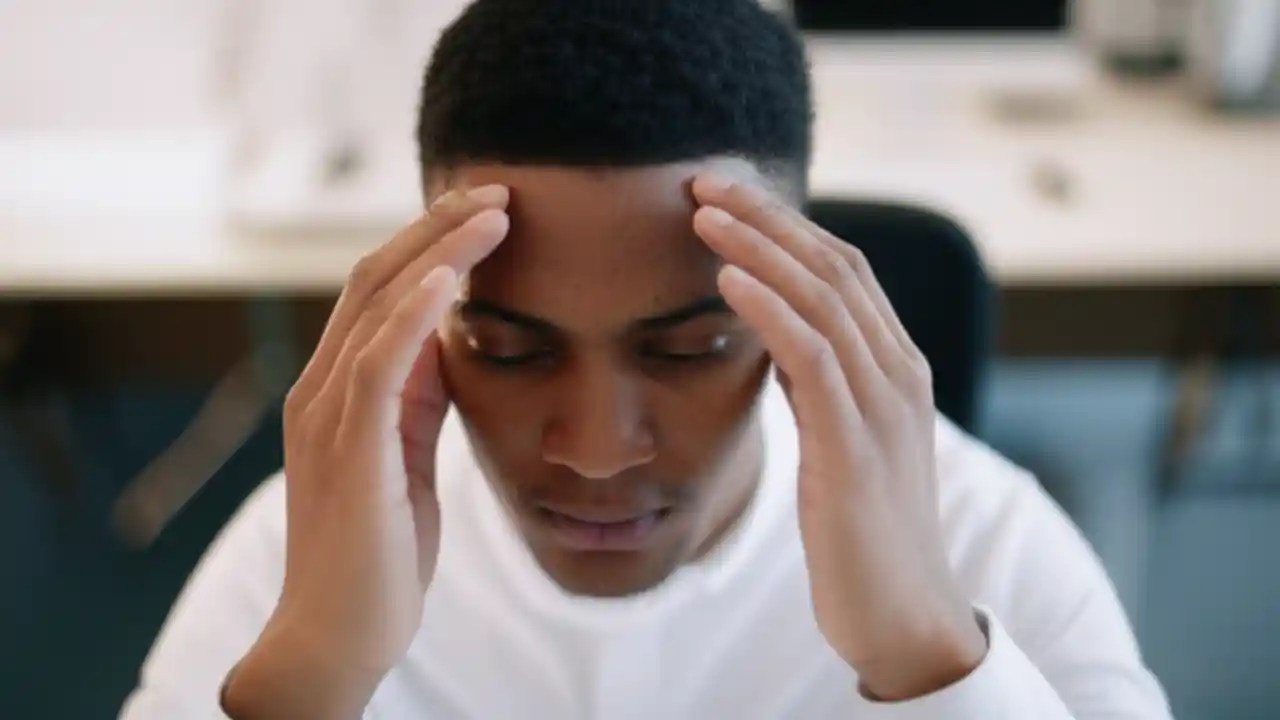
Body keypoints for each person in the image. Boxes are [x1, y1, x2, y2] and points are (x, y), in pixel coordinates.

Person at [121, 1, 1172, 718]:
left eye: (688, 349)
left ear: (803, 311)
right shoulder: (301, 560)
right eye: (504, 347)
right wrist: (312, 673)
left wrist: (925, 657)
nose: (592, 452)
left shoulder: (978, 540)